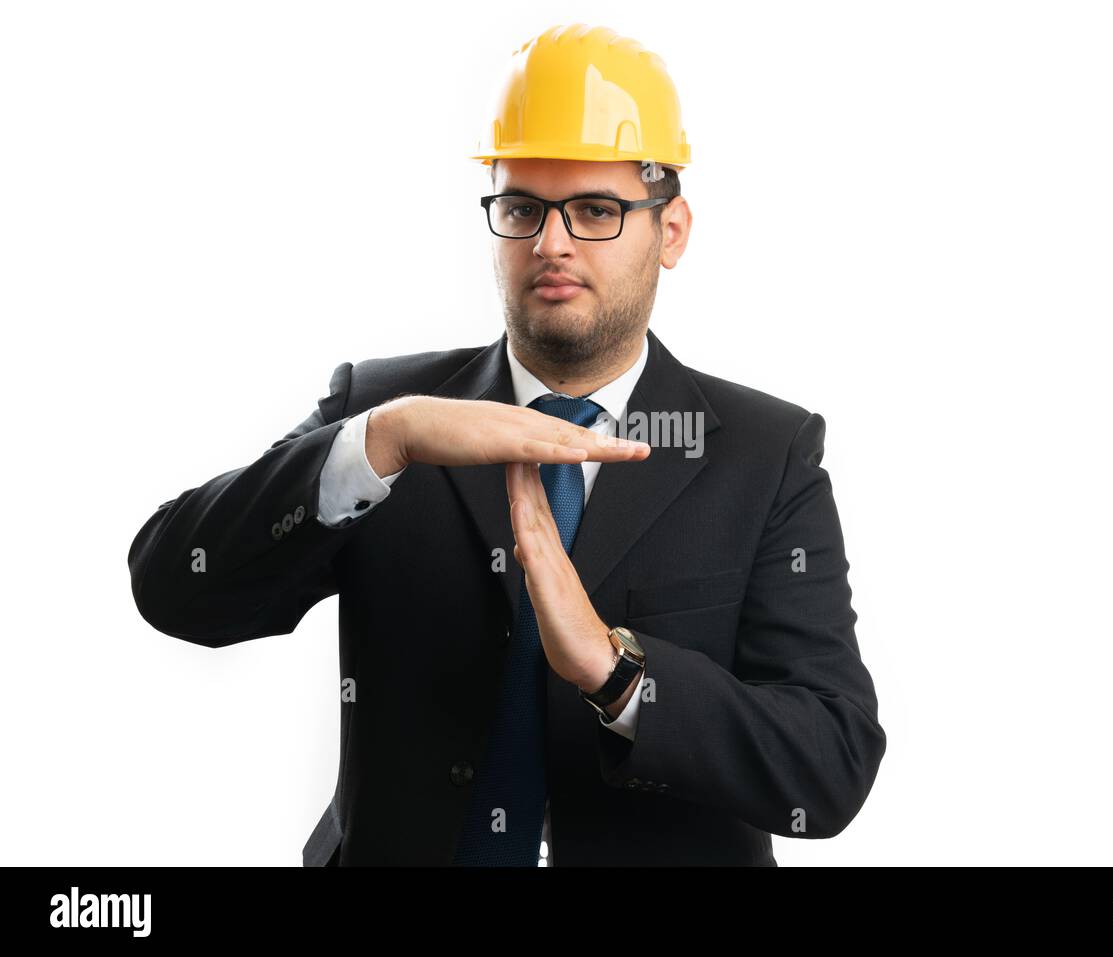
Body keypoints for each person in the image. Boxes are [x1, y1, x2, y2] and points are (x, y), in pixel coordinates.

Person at [127, 22, 885, 866]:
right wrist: (379, 443)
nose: (550, 243)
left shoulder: (765, 451)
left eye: (596, 210)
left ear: (671, 231)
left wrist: (618, 671)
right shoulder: (383, 412)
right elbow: (175, 588)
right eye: (522, 207)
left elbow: (829, 766)